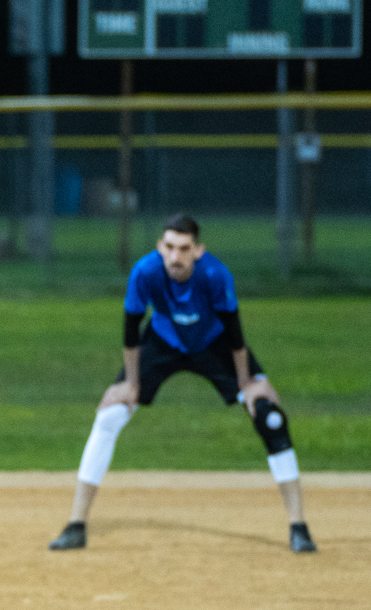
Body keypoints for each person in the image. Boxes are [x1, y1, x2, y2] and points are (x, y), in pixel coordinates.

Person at [48, 214, 315, 553]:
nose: (176, 257)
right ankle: (76, 525)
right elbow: (131, 330)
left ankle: (299, 526)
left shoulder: (215, 275)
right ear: (160, 247)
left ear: (198, 250)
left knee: (270, 417)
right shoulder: (145, 271)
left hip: (214, 344)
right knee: (110, 415)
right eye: (170, 247)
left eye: (184, 248)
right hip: (162, 342)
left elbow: (235, 334)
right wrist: (131, 384)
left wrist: (248, 384)